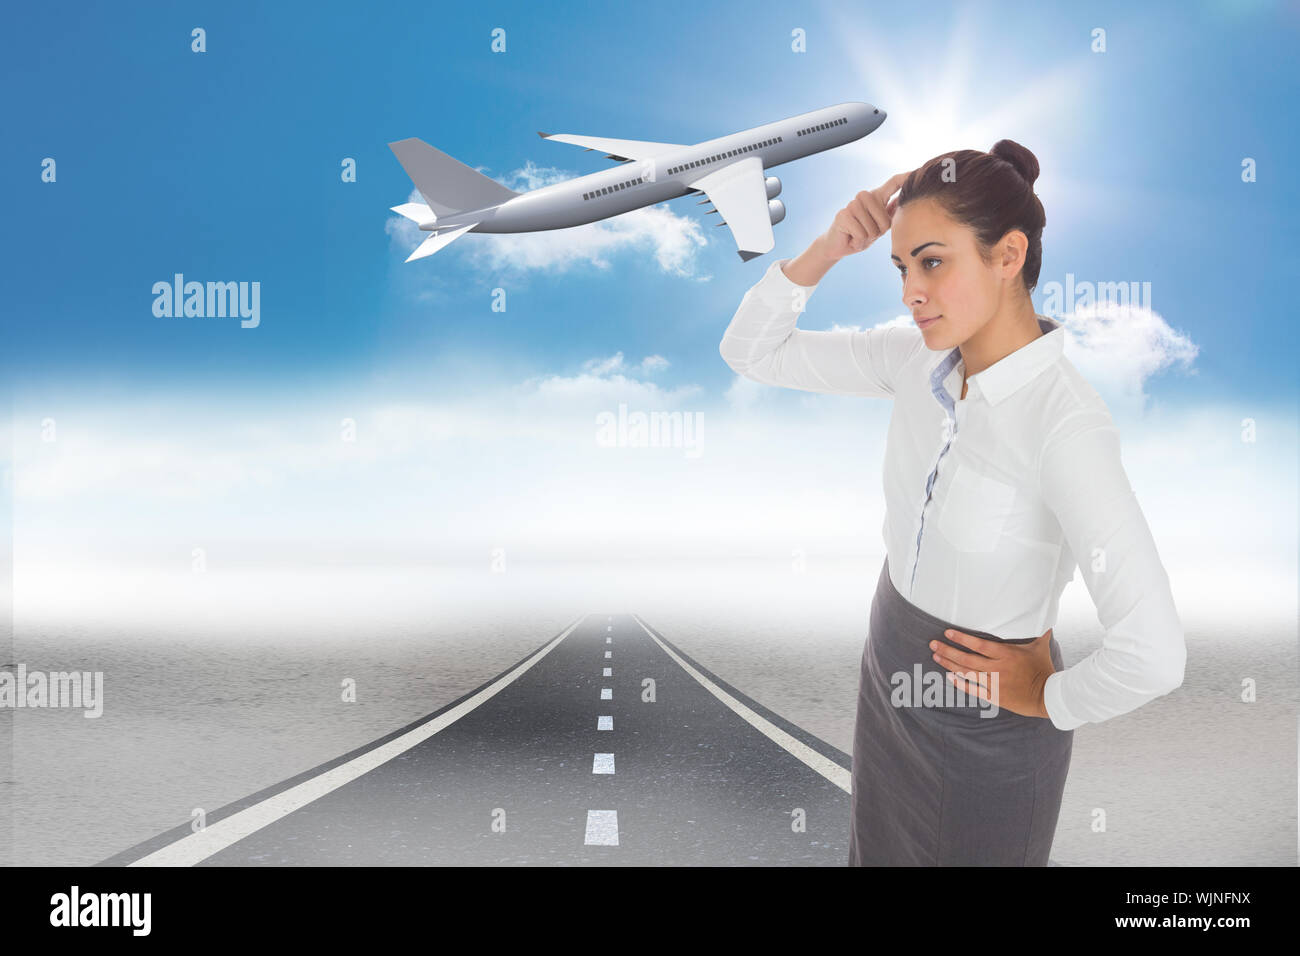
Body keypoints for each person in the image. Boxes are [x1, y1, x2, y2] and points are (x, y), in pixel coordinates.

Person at [718, 140, 1186, 866]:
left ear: (1007, 257)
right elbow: (753, 353)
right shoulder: (915, 362)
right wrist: (828, 249)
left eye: (933, 262)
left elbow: (1154, 654)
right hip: (889, 674)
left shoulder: (1065, 425)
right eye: (902, 267)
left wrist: (1050, 698)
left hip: (984, 727)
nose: (911, 291)